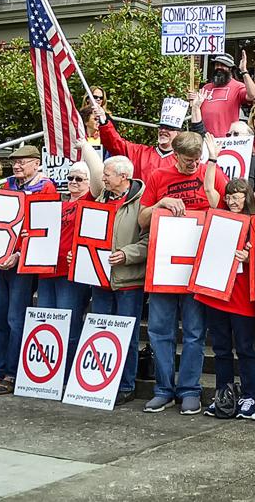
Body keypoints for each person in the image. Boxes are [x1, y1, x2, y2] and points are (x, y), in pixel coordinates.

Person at [137, 132, 227, 414]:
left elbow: (228, 208)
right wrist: (160, 204)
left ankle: (190, 389)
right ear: (175, 155)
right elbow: (142, 219)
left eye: (197, 159)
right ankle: (163, 389)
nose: (193, 164)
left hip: (196, 265)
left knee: (194, 332)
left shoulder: (211, 172)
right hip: (164, 265)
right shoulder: (158, 176)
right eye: (188, 160)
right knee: (159, 331)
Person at [0, 145, 57, 395]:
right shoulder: (7, 186)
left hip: (23, 263)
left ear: (37, 163)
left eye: (23, 162)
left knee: (16, 319)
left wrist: (18, 254)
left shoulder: (46, 187)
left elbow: (43, 227)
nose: (17, 165)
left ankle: (13, 373)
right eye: (15, 162)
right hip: (1, 262)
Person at [195, 175, 255, 420]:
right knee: (221, 349)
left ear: (247, 198)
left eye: (238, 197)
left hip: (242, 296)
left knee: (245, 349)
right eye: (230, 197)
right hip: (216, 293)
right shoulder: (219, 220)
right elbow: (208, 188)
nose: (233, 201)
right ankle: (223, 395)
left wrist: (250, 258)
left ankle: (250, 396)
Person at [87, 154, 150, 406]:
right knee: (100, 332)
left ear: (123, 176)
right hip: (101, 278)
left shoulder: (143, 202)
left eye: (107, 174)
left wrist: (127, 254)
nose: (102, 178)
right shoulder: (100, 199)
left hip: (128, 280)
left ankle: (125, 385)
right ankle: (101, 382)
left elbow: (149, 241)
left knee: (127, 336)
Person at [36, 140, 104, 369]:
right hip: (47, 270)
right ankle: (47, 371)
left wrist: (85, 147)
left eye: (79, 179)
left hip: (71, 273)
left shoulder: (90, 199)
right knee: (46, 323)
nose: (73, 182)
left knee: (69, 323)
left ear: (88, 183)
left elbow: (99, 176)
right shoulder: (57, 203)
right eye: (70, 178)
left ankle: (66, 371)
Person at [95, 98, 180, 181]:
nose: (163, 130)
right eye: (161, 127)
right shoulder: (140, 153)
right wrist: (104, 122)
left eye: (169, 128)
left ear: (178, 133)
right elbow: (115, 144)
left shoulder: (182, 159)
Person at [199, 52, 255, 138]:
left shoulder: (237, 86)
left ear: (230, 69)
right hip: (205, 139)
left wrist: (244, 71)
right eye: (217, 65)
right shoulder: (206, 87)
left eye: (223, 65)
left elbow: (253, 95)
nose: (219, 68)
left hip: (227, 139)